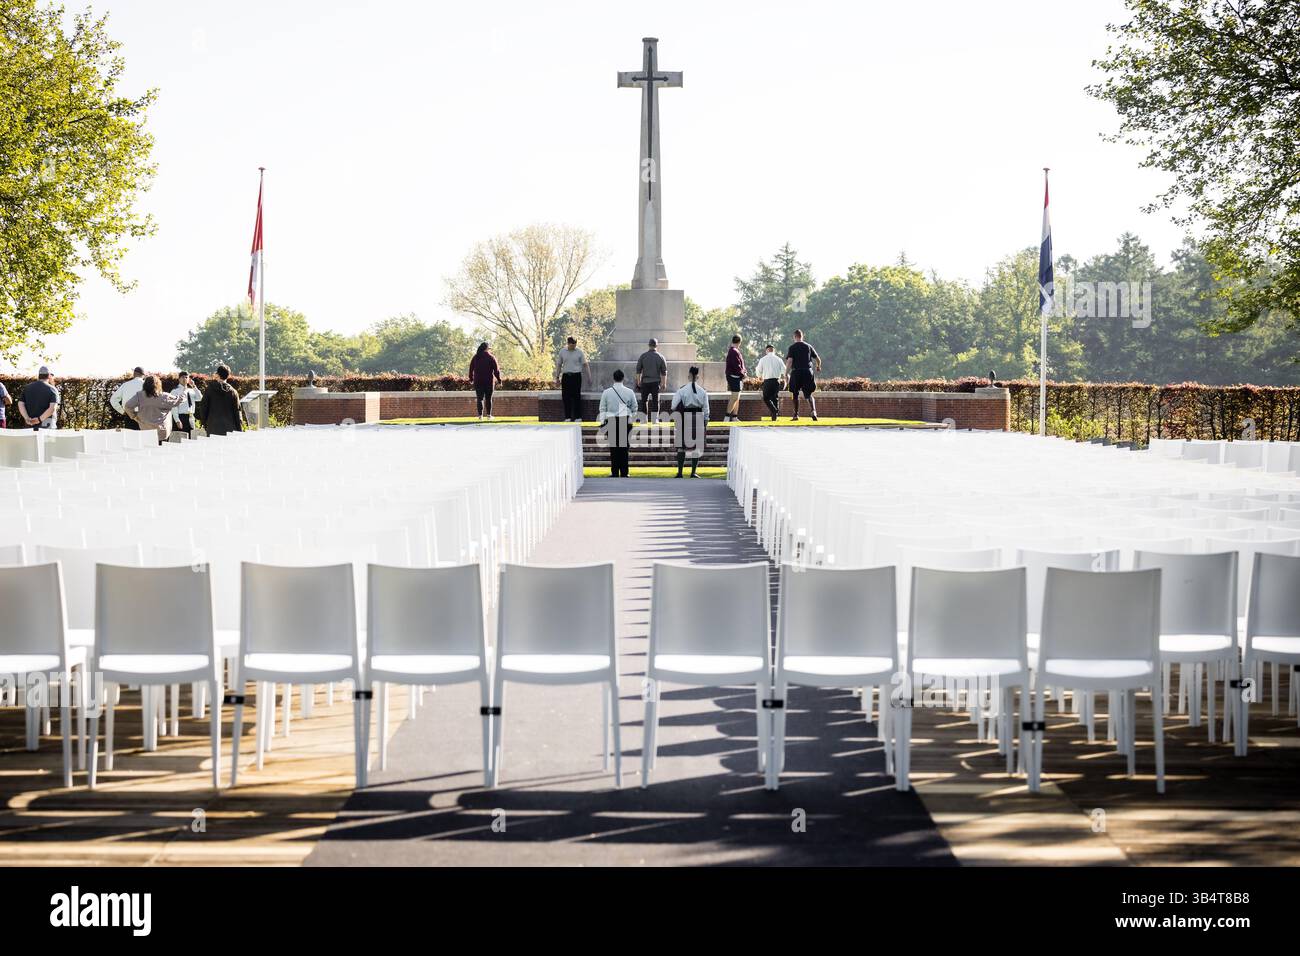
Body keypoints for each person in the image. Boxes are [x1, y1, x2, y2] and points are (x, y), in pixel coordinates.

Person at [670, 366, 710, 478]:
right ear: (697, 377)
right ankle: (693, 472)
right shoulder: (702, 391)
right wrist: (706, 420)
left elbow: (673, 406)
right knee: (696, 447)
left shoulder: (681, 390)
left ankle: (680, 472)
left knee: (681, 446)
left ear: (688, 376)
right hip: (698, 417)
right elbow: (706, 408)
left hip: (684, 417)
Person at [597, 369, 638, 478]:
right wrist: (631, 418)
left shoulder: (607, 392)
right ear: (623, 378)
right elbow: (635, 408)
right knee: (624, 448)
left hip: (611, 421)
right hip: (625, 420)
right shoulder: (629, 392)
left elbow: (602, 409)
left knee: (614, 448)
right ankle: (624, 472)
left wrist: (602, 422)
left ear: (613, 378)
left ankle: (615, 472)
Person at [126, 374, 183, 444]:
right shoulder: (164, 396)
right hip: (162, 432)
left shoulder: (139, 396)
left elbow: (127, 406)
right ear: (158, 384)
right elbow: (178, 400)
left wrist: (134, 416)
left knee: (147, 453)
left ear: (145, 384)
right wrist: (184, 391)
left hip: (145, 431)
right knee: (161, 453)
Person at [196, 364, 244, 436]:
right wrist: (239, 429)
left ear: (217, 374)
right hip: (230, 429)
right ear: (228, 375)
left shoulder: (209, 389)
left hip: (213, 427)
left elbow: (203, 407)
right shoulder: (233, 392)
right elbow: (237, 411)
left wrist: (204, 423)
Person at [784, 328, 822, 421]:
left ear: (794, 337)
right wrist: (818, 366)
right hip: (807, 372)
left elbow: (789, 361)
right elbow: (818, 359)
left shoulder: (792, 347)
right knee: (809, 394)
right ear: (802, 336)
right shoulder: (808, 346)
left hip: (796, 372)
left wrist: (786, 373)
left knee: (795, 393)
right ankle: (813, 411)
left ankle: (796, 415)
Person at [555, 336, 591, 422]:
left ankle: (578, 417)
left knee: (576, 396)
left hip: (576, 376)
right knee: (566, 397)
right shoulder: (562, 352)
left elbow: (585, 365)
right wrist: (557, 377)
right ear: (568, 343)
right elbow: (559, 365)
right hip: (566, 376)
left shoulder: (579, 352)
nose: (573, 346)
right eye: (572, 345)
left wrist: (589, 376)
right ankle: (567, 417)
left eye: (575, 344)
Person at [635, 338, 668, 423]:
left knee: (644, 401)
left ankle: (644, 419)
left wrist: (638, 381)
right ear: (657, 345)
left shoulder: (643, 356)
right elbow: (664, 372)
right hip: (655, 383)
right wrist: (664, 383)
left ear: (649, 345)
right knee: (655, 401)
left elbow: (638, 370)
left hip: (645, 382)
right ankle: (654, 419)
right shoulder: (660, 357)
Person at [18, 366, 60, 430]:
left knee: (31, 440)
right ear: (49, 376)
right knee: (49, 440)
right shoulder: (52, 389)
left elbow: (20, 404)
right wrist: (39, 419)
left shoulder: (27, 388)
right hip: (48, 425)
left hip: (30, 424)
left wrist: (27, 418)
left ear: (39, 376)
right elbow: (52, 408)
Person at [468, 342, 502, 420]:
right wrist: (499, 380)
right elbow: (496, 371)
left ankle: (480, 416)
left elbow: (471, 369)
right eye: (488, 349)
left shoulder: (475, 357)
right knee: (488, 398)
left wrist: (471, 379)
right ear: (486, 349)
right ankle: (489, 416)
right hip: (489, 382)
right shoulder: (491, 357)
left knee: (479, 398)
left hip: (478, 381)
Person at [755, 343, 786, 421]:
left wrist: (759, 376)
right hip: (776, 381)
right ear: (773, 350)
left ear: (767, 351)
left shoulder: (763, 359)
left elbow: (758, 371)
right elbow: (784, 371)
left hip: (767, 381)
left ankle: (774, 410)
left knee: (766, 398)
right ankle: (774, 417)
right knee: (774, 398)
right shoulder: (779, 359)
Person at [169, 371, 202, 436]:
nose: (184, 379)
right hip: (181, 417)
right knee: (180, 440)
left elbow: (200, 398)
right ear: (179, 379)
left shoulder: (191, 390)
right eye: (182, 377)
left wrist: (194, 386)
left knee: (190, 439)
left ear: (188, 379)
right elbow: (173, 407)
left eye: (186, 377)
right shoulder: (175, 391)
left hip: (191, 417)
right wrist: (177, 420)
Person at [724, 334, 746, 421]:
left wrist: (743, 372)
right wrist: (743, 374)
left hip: (737, 377)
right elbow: (736, 366)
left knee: (737, 397)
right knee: (734, 397)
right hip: (734, 377)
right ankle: (726, 417)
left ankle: (734, 417)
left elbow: (741, 365)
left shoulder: (735, 350)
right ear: (740, 342)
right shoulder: (733, 351)